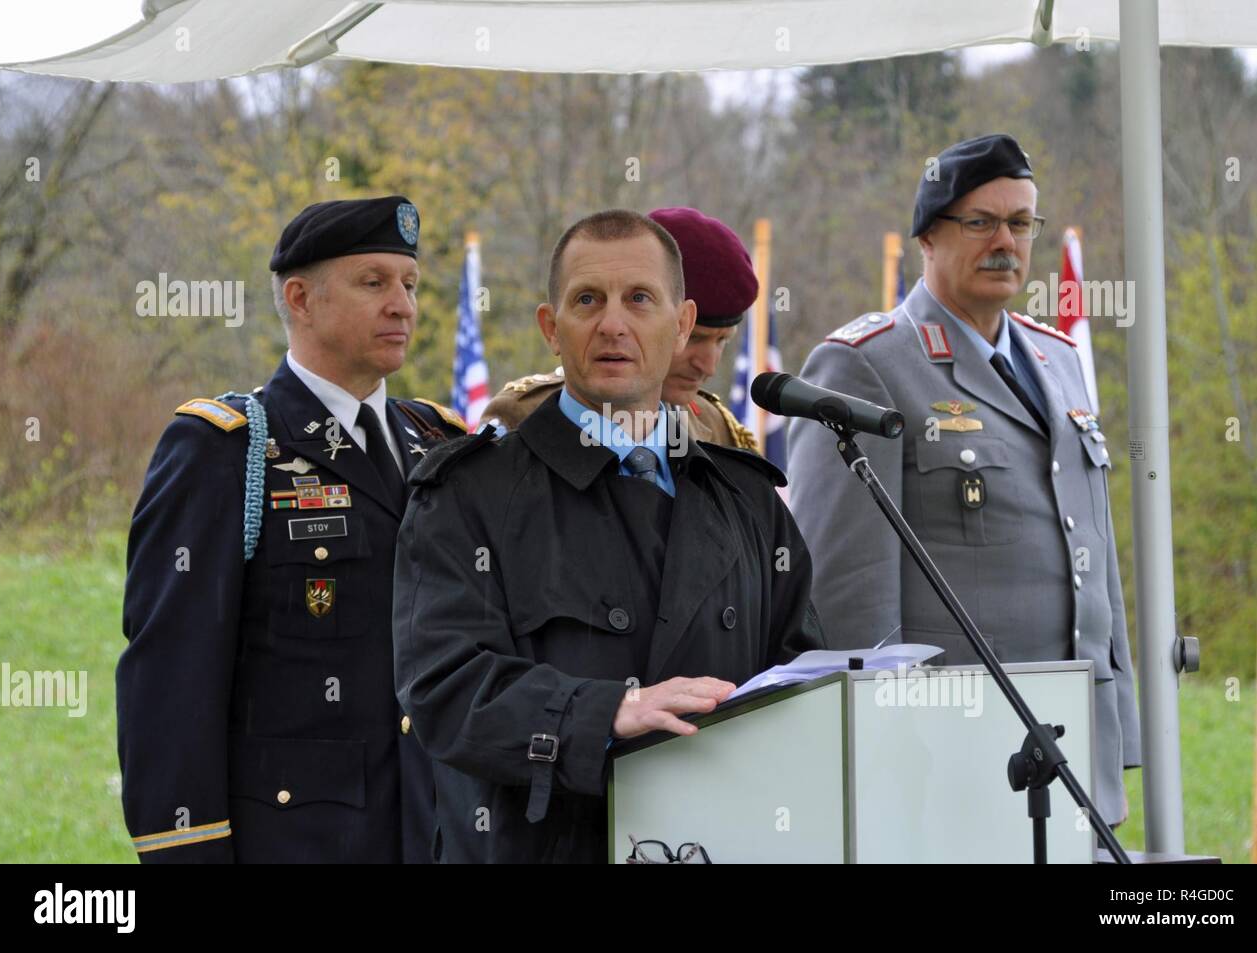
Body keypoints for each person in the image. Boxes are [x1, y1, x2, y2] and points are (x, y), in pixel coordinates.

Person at [392, 208, 825, 862]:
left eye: (640, 299)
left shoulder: (749, 500)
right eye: (587, 299)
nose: (613, 324)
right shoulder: (466, 494)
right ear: (551, 326)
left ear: (681, 325)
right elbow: (445, 690)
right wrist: (602, 714)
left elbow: (803, 683)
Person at [785, 134, 1140, 827]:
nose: (1005, 241)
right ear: (927, 236)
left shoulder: (1058, 358)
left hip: (1073, 742)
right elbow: (846, 598)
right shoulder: (866, 366)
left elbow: (1091, 553)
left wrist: (1117, 719)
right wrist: (881, 750)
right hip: (948, 750)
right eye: (980, 222)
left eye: (1020, 222)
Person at [118, 195, 465, 862]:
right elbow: (170, 680)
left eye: (411, 284)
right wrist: (185, 849)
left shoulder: (439, 444)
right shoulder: (228, 449)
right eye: (374, 282)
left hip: (432, 833)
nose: (404, 305)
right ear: (301, 299)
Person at [481, 207, 758, 450]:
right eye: (696, 338)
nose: (707, 365)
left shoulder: (716, 426)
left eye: (722, 341)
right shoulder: (524, 416)